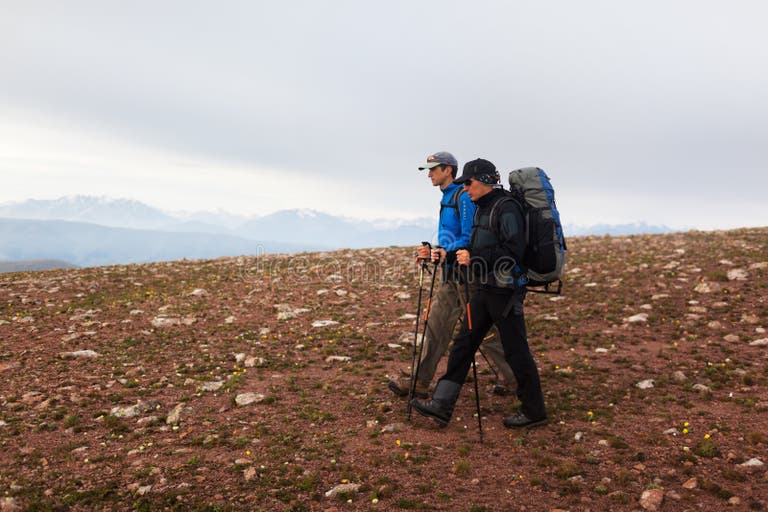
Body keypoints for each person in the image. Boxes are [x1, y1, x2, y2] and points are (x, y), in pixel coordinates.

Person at [411, 158, 547, 429]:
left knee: (516, 349)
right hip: (486, 289)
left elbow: (513, 252)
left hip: (506, 291)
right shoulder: (482, 209)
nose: (466, 188)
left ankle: (535, 411)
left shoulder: (506, 208)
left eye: (469, 183)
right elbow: (469, 250)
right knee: (463, 346)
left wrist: (475, 256)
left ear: (484, 181)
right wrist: (442, 256)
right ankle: (441, 405)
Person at [388, 151, 516, 399]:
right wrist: (433, 251)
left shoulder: (463, 197)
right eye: (429, 170)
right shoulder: (448, 197)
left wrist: (445, 251)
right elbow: (451, 236)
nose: (430, 174)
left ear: (449, 170)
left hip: (468, 275)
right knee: (436, 325)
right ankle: (420, 382)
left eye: (434, 169)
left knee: (484, 331)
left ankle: (514, 378)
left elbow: (469, 237)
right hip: (451, 273)